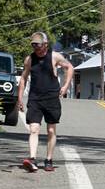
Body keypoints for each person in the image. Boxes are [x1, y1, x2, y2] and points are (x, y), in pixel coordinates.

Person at [17, 32, 74, 173]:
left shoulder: (54, 56)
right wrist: (19, 98)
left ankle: (48, 160)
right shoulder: (29, 59)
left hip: (51, 97)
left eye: (38, 45)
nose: (36, 48)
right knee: (34, 129)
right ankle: (32, 159)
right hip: (35, 98)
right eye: (33, 45)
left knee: (50, 130)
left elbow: (70, 67)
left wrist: (66, 86)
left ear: (45, 44)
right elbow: (23, 78)